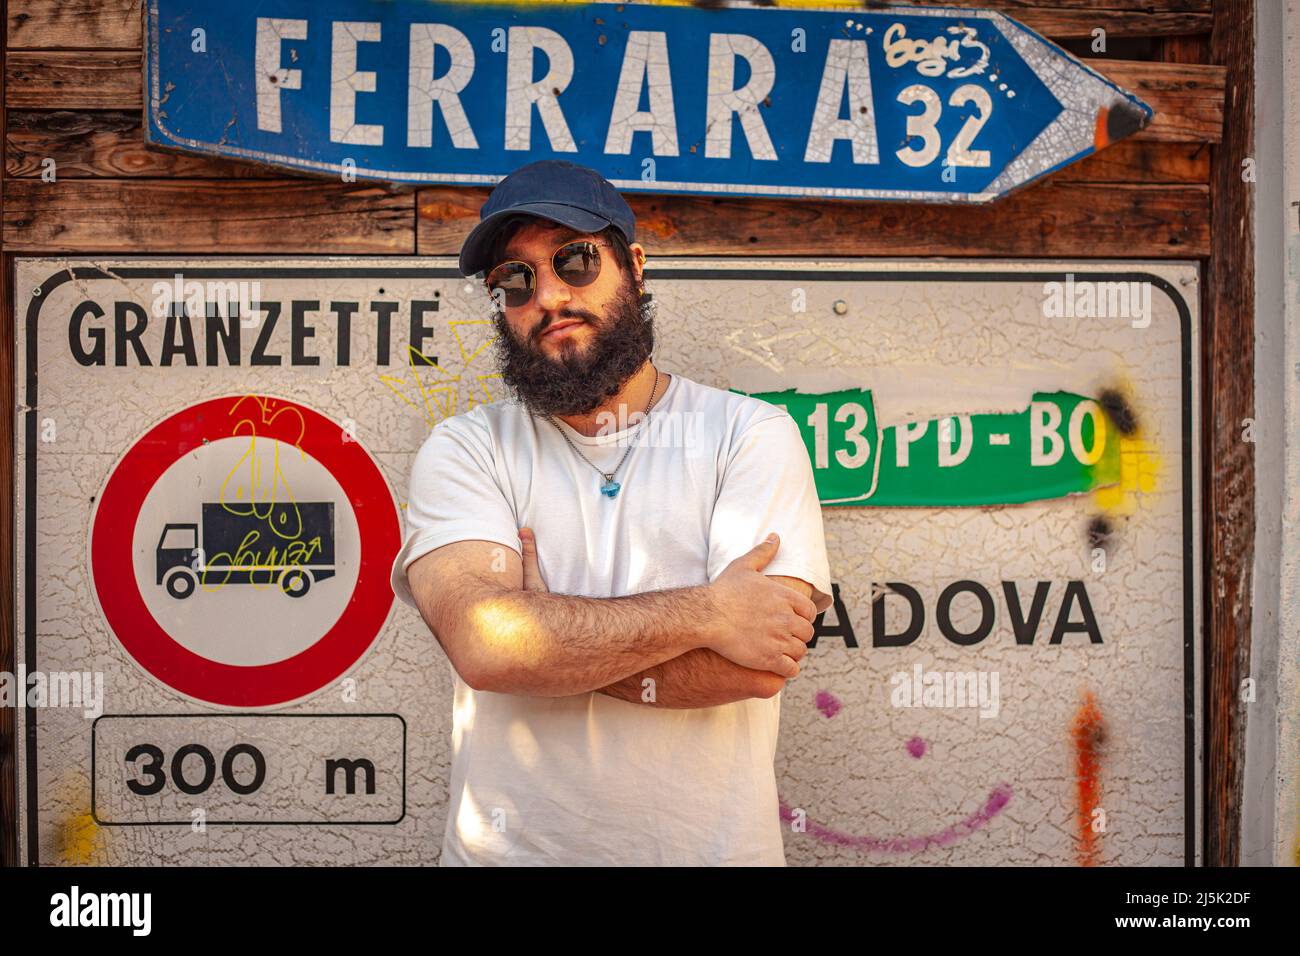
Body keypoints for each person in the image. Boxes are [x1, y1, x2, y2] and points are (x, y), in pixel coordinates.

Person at [389, 159, 833, 866]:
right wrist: (711, 613)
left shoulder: (748, 434)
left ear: (635, 266)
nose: (550, 295)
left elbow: (756, 667)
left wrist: (543, 633)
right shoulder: (468, 448)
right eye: (516, 278)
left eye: (575, 259)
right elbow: (486, 647)